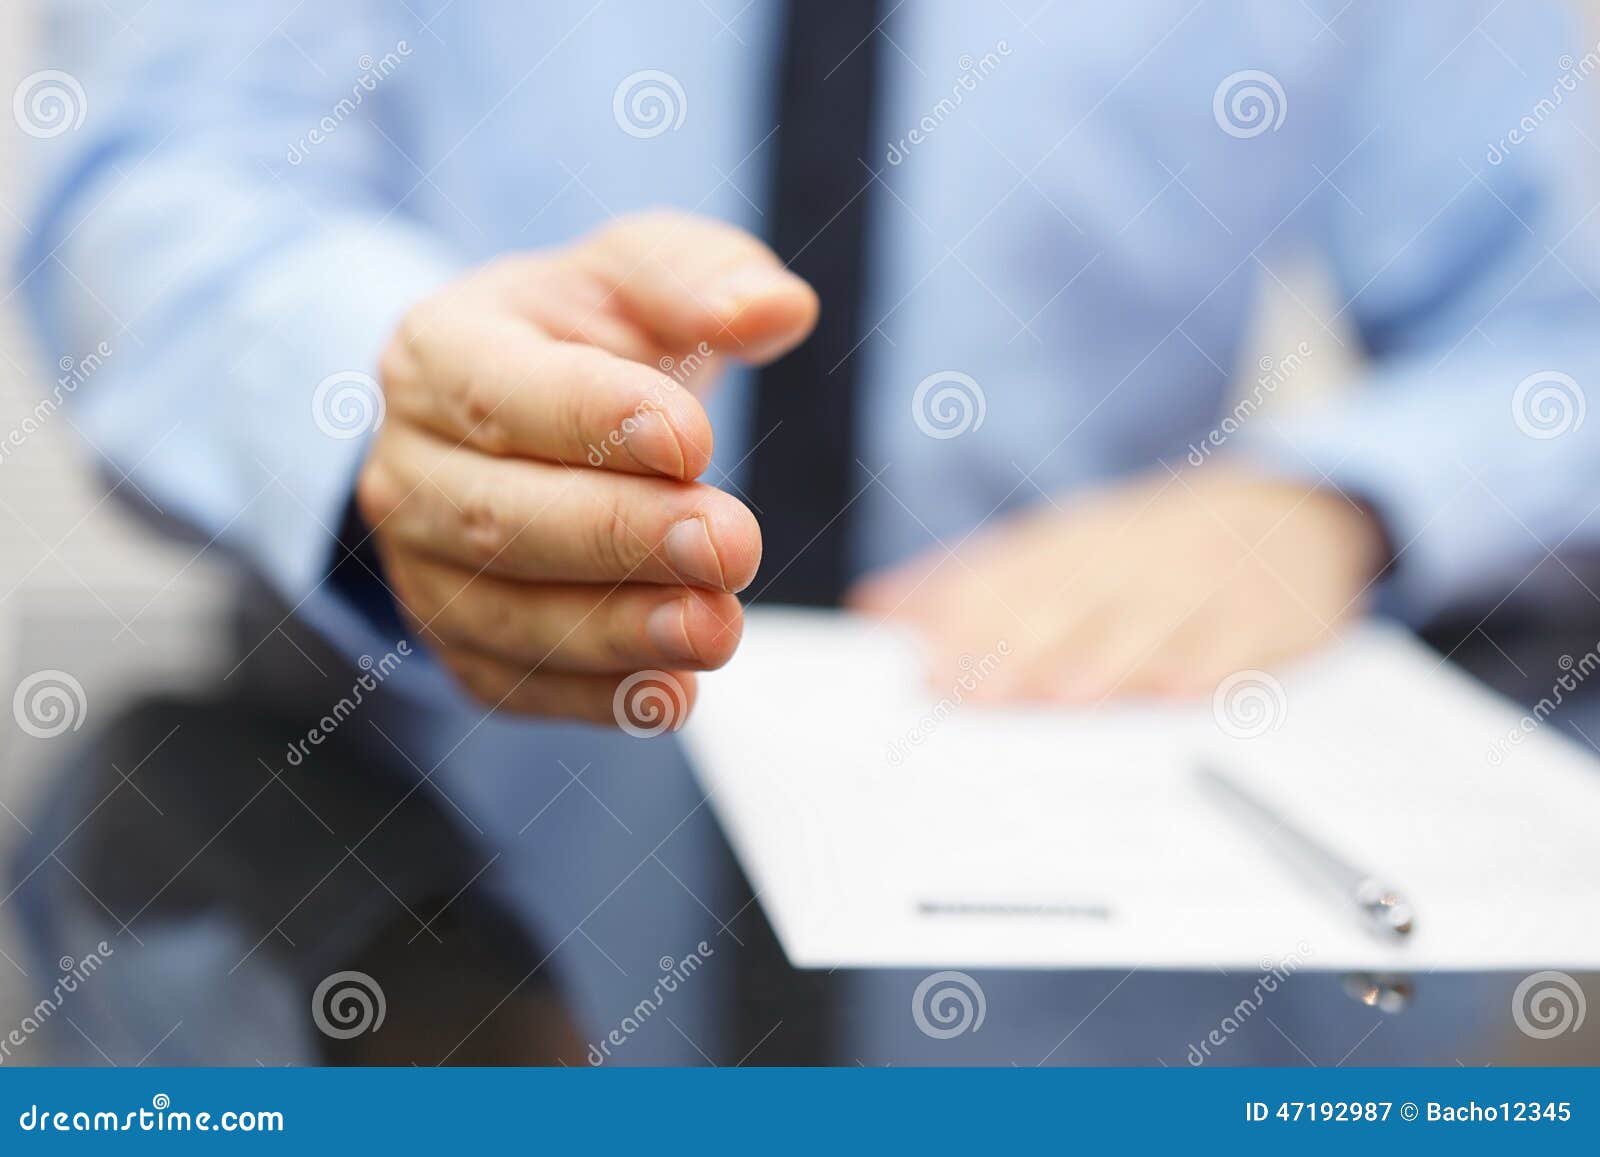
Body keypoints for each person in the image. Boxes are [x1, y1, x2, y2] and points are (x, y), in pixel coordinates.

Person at [16, 0, 1600, 1064]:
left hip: (1096, 861)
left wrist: (1331, 496)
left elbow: (1559, 328)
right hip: (399, 846)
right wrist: (383, 407)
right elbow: (161, 182)